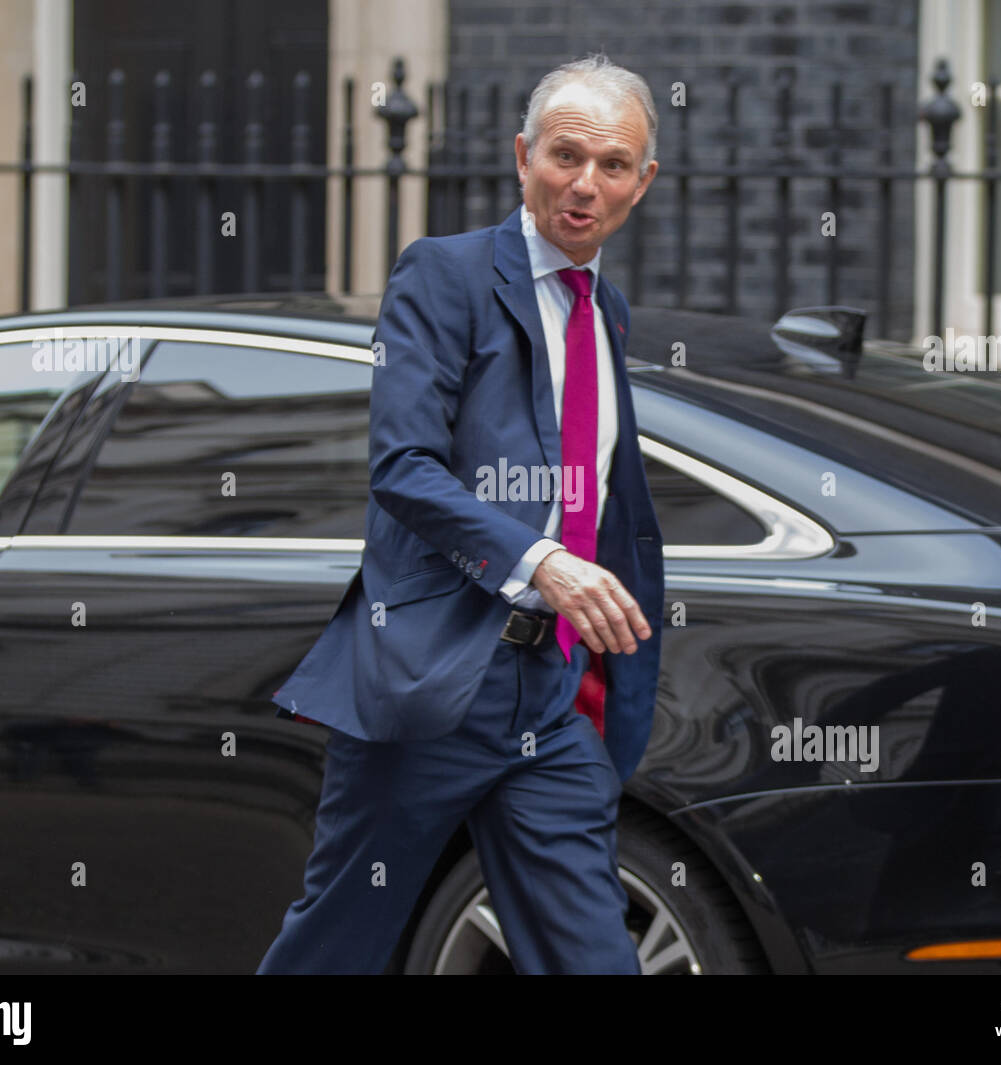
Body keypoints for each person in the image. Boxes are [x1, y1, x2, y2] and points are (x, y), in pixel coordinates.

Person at [257, 52, 664, 975]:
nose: (583, 185)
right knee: (338, 943)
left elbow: (607, 494)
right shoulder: (444, 276)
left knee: (594, 956)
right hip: (435, 680)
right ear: (523, 156)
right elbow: (404, 467)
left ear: (642, 184)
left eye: (611, 166)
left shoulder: (608, 312)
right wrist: (541, 562)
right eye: (565, 155)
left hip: (547, 693)